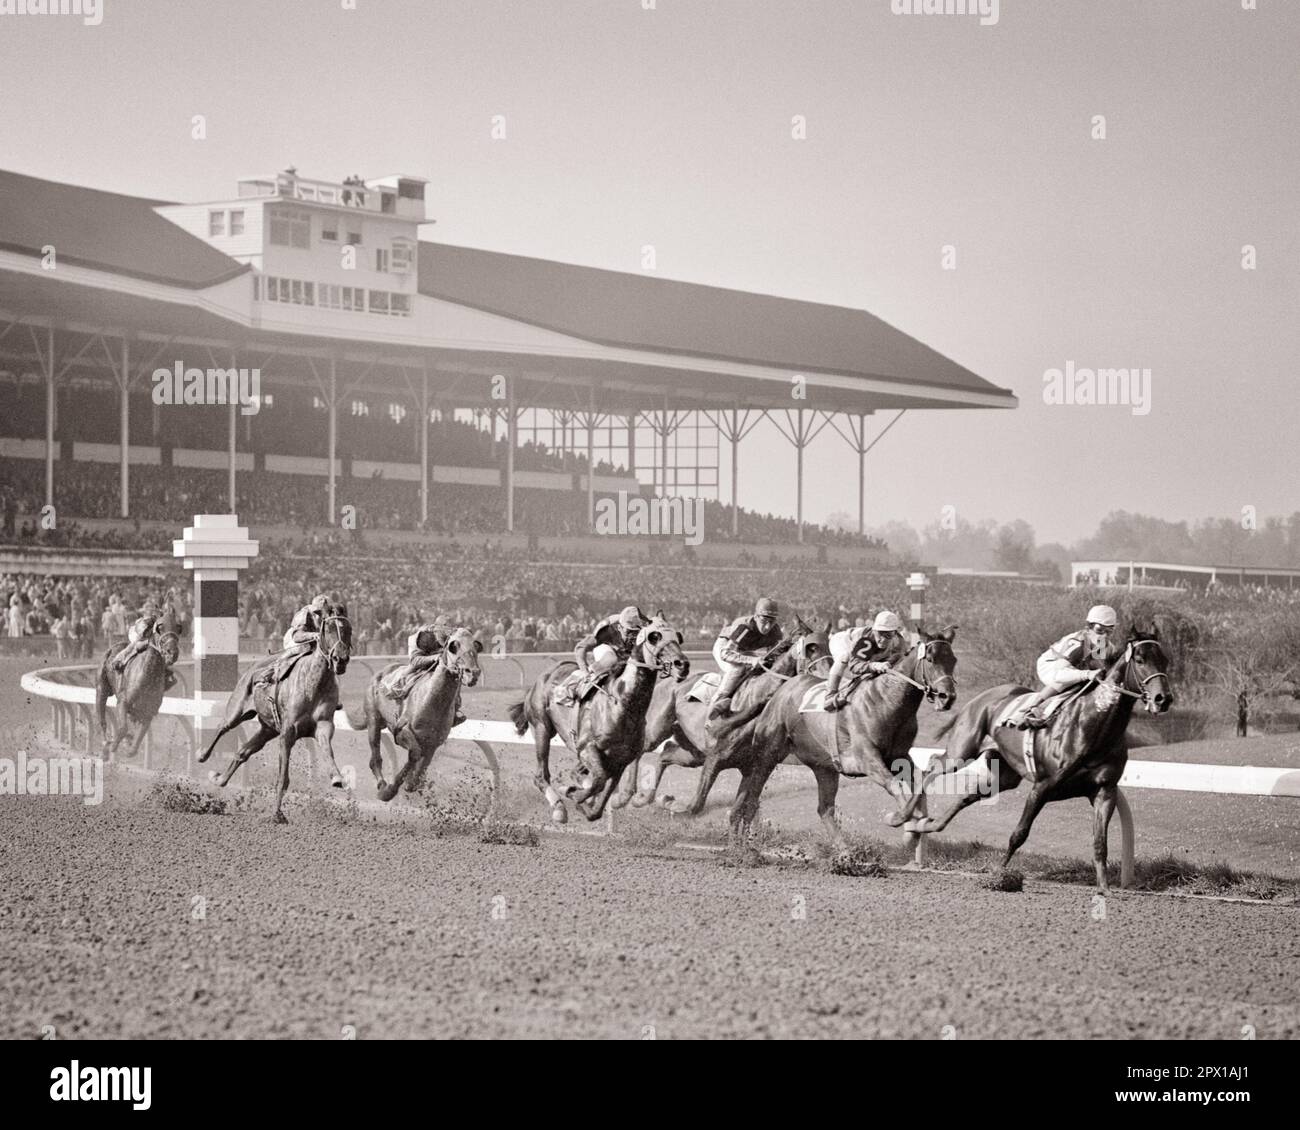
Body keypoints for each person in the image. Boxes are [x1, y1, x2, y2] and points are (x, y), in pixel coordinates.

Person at [1002, 604, 1122, 730]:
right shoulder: (1077, 643)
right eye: (1099, 630)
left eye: (1109, 631)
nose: (1104, 636)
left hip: (1074, 669)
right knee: (1068, 683)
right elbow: (1060, 675)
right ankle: (1028, 710)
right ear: (1088, 628)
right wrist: (1087, 674)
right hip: (1051, 666)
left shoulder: (1107, 647)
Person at [382, 615, 466, 726]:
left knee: (455, 678)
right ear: (440, 627)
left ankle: (454, 710)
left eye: (452, 626)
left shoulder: (451, 638)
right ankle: (397, 704)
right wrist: (434, 657)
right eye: (448, 626)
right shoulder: (426, 637)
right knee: (410, 674)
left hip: (439, 663)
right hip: (420, 658)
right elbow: (415, 660)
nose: (451, 630)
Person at [709, 597, 784, 719]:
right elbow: (725, 654)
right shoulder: (745, 626)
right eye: (764, 621)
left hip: (746, 651)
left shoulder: (776, 631)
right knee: (737, 670)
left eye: (772, 621)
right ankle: (715, 706)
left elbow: (778, 655)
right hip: (725, 647)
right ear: (756, 616)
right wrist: (752, 660)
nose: (767, 627)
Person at [561, 605, 648, 704]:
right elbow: (580, 647)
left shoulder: (644, 629)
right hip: (607, 648)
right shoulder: (606, 630)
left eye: (635, 632)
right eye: (628, 632)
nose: (632, 637)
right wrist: (584, 670)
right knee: (611, 659)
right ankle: (575, 681)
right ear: (619, 627)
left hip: (623, 652)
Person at [823, 610, 906, 711]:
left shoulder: (899, 642)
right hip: (843, 641)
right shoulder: (867, 640)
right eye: (880, 633)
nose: (883, 639)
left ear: (895, 633)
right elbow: (854, 666)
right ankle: (830, 696)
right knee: (844, 657)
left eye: (888, 635)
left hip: (869, 653)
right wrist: (874, 666)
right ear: (874, 630)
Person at [252, 593, 328, 688]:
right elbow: (297, 636)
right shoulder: (304, 614)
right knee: (302, 649)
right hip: (295, 639)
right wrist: (312, 635)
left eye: (323, 613)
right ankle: (266, 674)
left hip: (314, 640)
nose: (320, 616)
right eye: (318, 613)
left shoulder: (328, 615)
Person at [110, 601, 177, 688]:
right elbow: (141, 636)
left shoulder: (160, 622)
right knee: (135, 646)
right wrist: (147, 641)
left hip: (147, 637)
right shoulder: (145, 621)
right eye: (157, 614)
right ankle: (119, 660)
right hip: (136, 635)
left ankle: (167, 673)